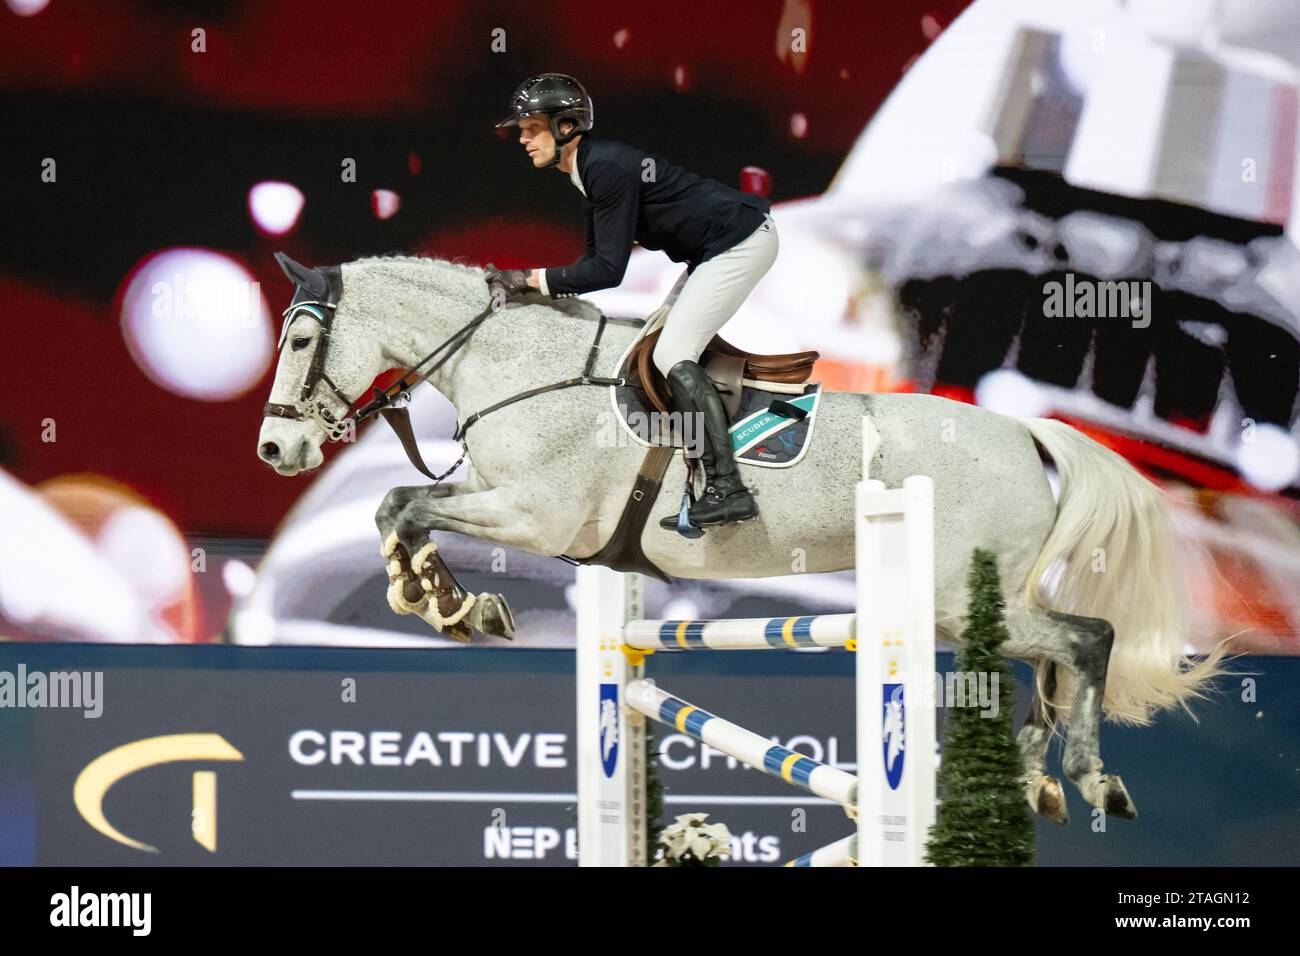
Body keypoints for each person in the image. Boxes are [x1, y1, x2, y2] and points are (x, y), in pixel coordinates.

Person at [492, 73, 779, 530]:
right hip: (715, 250)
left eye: (531, 127)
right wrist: (533, 284)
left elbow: (608, 270)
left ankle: (729, 488)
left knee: (670, 354)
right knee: (649, 347)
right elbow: (594, 261)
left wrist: (527, 280)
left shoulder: (604, 166)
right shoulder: (587, 170)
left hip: (738, 243)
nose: (522, 138)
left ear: (566, 125)